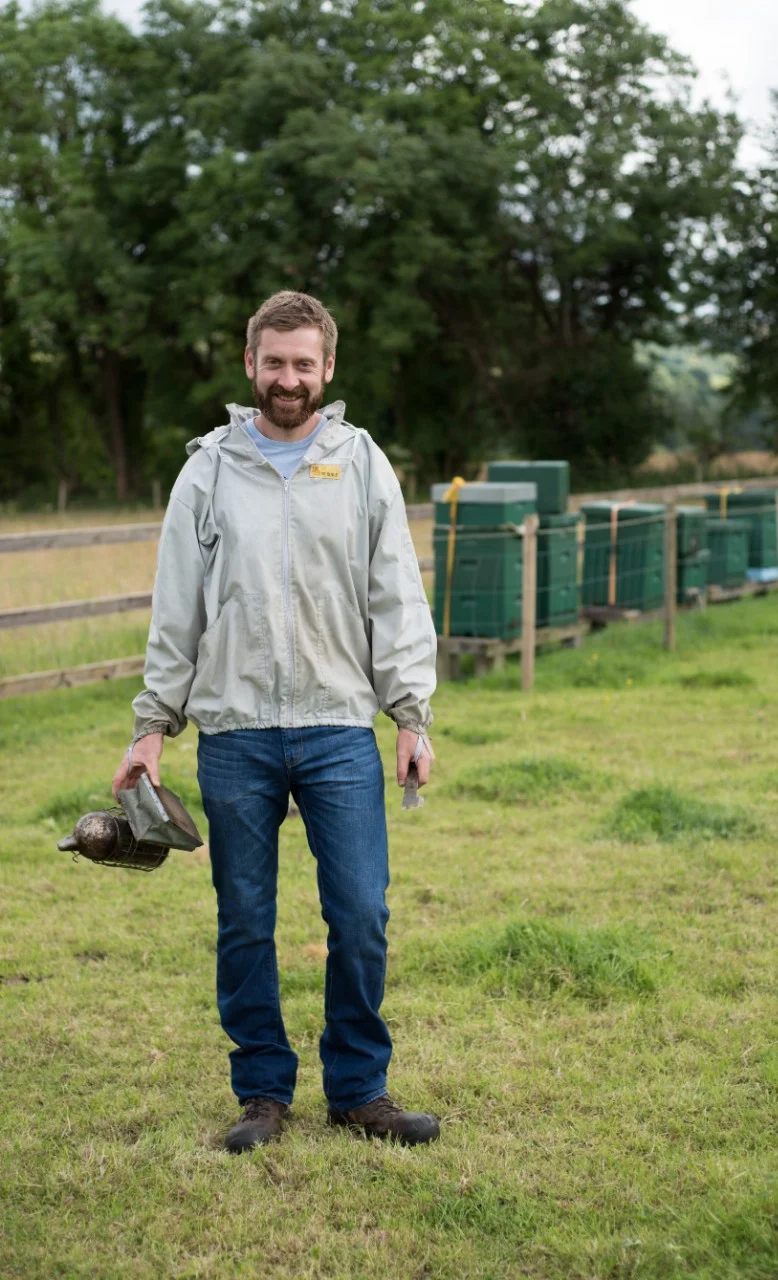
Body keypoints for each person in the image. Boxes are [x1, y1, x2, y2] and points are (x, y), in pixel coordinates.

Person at [111, 291, 438, 1151]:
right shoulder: (208, 471)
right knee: (245, 917)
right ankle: (262, 1093)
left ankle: (360, 1091)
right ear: (249, 364)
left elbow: (395, 595)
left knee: (360, 913)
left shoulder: (360, 462)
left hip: (337, 727)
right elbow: (176, 609)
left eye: (303, 363)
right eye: (273, 361)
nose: (287, 378)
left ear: (327, 370)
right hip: (236, 734)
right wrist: (152, 725)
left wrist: (409, 714)